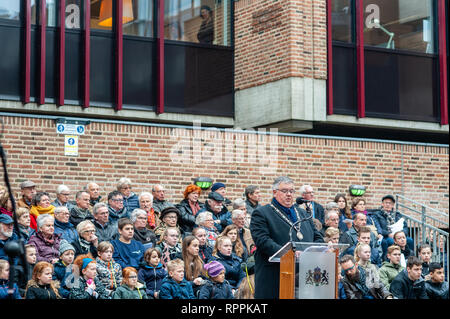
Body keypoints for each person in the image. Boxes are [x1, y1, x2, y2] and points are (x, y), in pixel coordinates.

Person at [250, 176, 323, 298]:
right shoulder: (262, 213)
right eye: (284, 191)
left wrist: (317, 250)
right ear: (274, 192)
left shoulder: (304, 214)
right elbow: (262, 241)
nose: (289, 194)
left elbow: (317, 237)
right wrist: (289, 254)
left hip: (305, 276)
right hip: (276, 276)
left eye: (291, 191)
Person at [372, 194, 412, 260]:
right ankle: (391, 259)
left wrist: (402, 233)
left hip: (399, 234)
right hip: (387, 236)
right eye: (386, 203)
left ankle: (409, 259)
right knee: (391, 241)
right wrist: (388, 234)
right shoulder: (377, 215)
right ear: (382, 204)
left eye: (390, 203)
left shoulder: (398, 215)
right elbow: (378, 228)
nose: (388, 204)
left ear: (393, 205)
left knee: (409, 240)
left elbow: (405, 226)